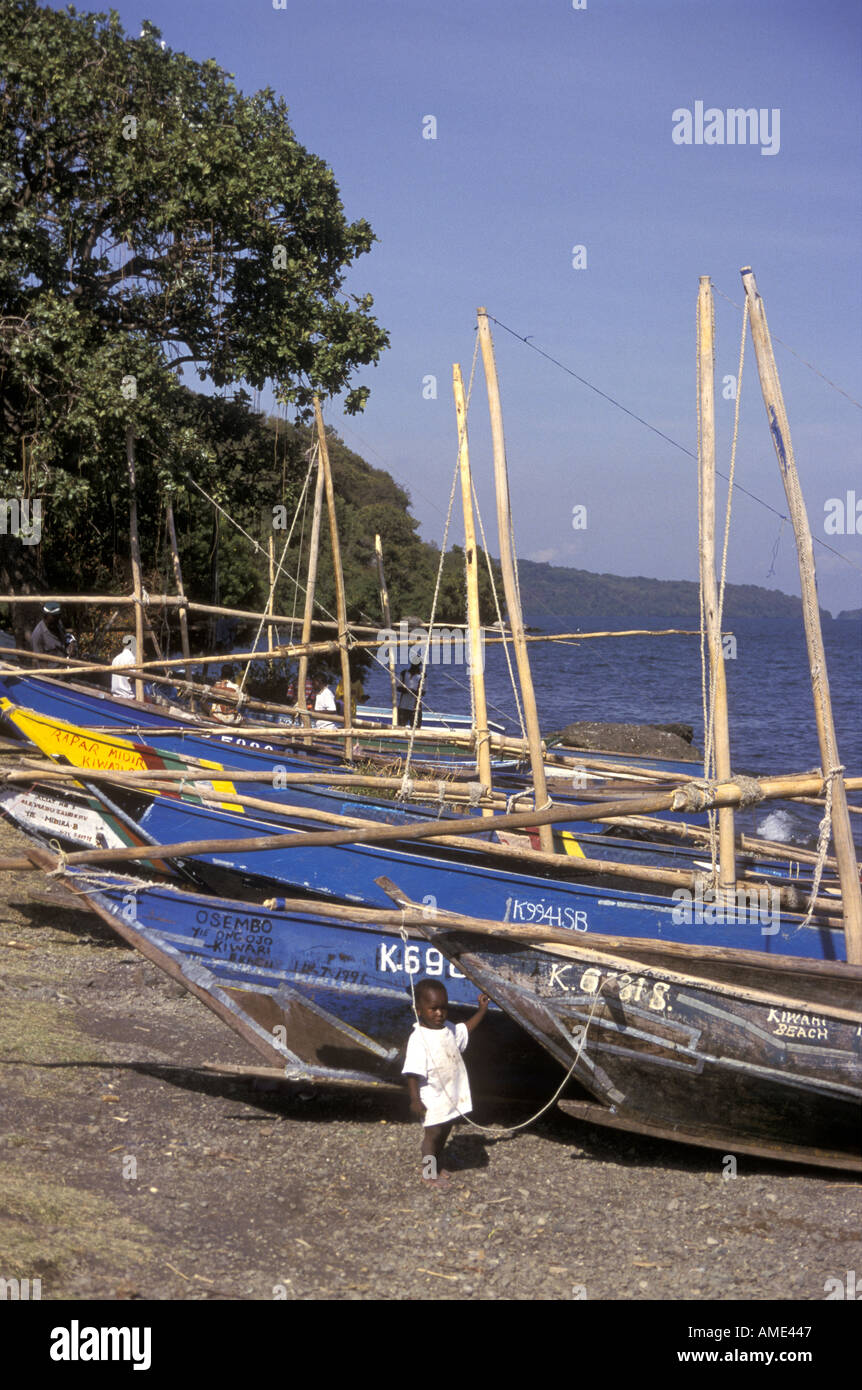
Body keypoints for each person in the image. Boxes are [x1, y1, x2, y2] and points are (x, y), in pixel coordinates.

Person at [403, 979, 489, 1187]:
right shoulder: (418, 1038)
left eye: (443, 1008)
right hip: (432, 1097)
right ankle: (428, 1173)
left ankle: (436, 1165)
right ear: (419, 1010)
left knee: (444, 1132)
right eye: (433, 1009)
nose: (439, 1013)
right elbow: (412, 1073)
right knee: (432, 1136)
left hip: (450, 1093)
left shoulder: (448, 1029)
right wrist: (415, 1100)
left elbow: (465, 1029)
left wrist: (482, 1010)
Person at [396, 658, 423, 728]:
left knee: (416, 728)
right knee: (400, 727)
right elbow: (398, 687)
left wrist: (415, 692)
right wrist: (407, 690)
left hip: (415, 707)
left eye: (417, 665)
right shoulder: (404, 673)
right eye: (414, 664)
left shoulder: (423, 676)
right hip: (403, 706)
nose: (415, 666)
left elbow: (423, 692)